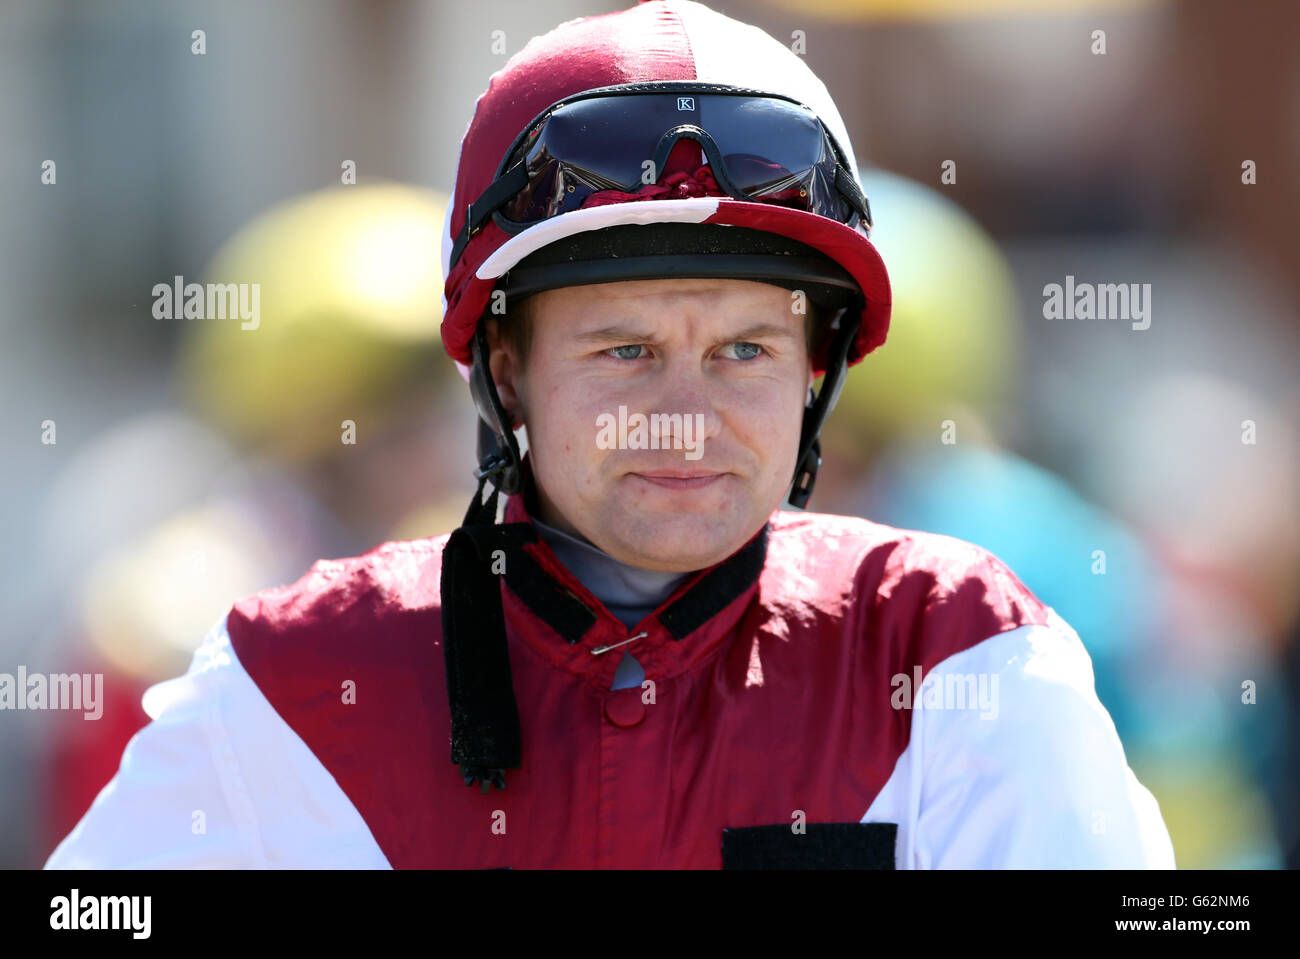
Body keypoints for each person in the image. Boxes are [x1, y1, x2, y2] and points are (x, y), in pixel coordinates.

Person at [46, 0, 1174, 869]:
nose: (687, 414)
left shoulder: (960, 655)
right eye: (622, 348)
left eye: (746, 350)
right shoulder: (286, 681)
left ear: (818, 374)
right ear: (504, 372)